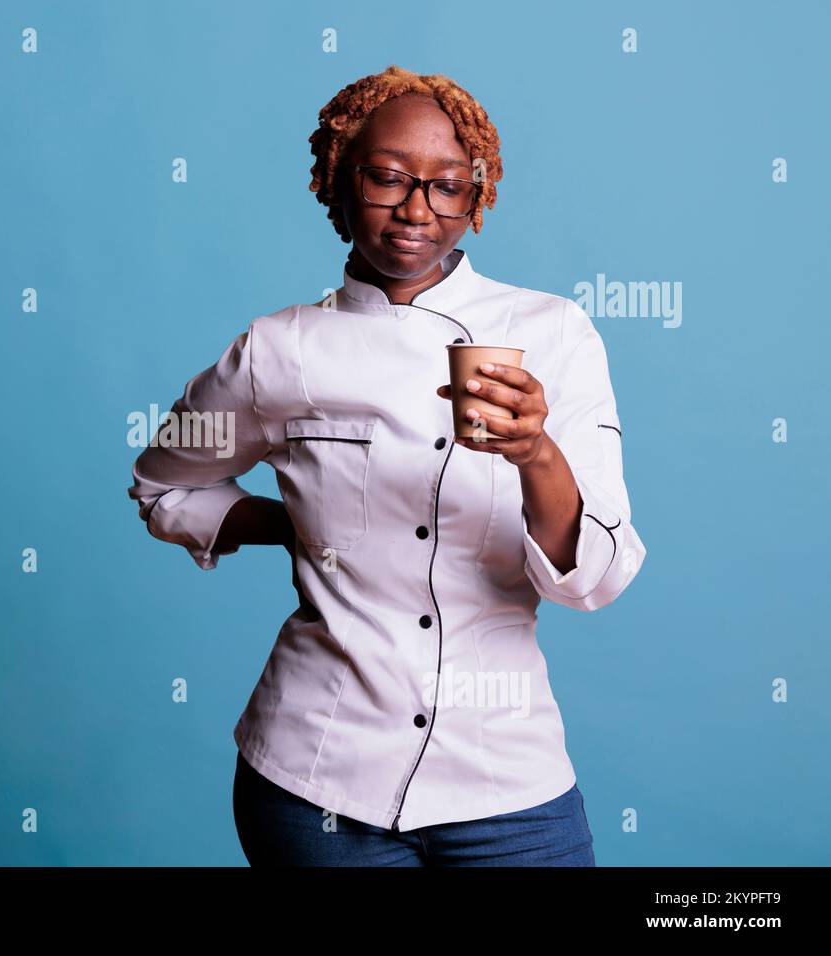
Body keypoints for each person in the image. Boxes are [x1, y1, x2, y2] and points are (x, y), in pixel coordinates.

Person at [126, 65, 646, 866]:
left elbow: (596, 579)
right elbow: (163, 484)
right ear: (340, 183)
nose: (417, 210)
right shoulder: (280, 349)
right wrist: (296, 527)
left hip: (506, 779)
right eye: (388, 179)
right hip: (315, 777)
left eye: (447, 185)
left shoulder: (553, 332)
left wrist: (535, 452)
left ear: (476, 197)